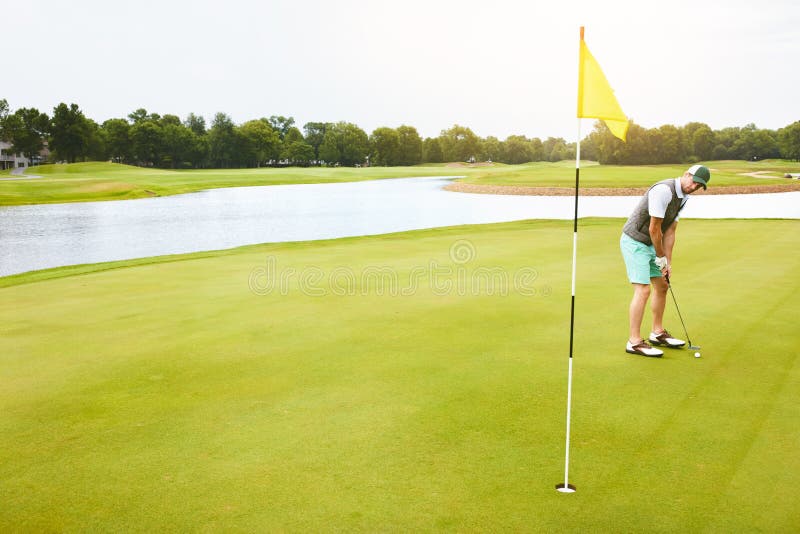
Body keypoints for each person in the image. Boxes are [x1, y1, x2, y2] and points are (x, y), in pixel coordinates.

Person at [620, 164, 711, 357]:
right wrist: (660, 256)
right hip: (635, 241)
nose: (694, 187)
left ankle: (657, 332)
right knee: (643, 289)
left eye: (699, 186)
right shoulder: (663, 190)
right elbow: (655, 228)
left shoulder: (684, 198)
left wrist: (667, 262)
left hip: (653, 243)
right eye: (694, 182)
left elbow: (669, 231)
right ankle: (634, 342)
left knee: (662, 285)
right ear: (686, 175)